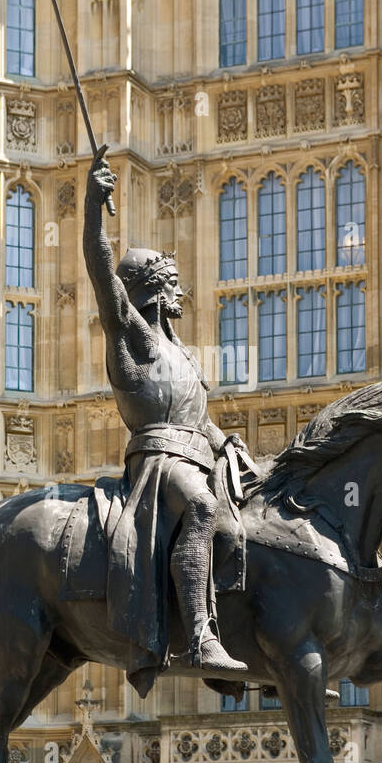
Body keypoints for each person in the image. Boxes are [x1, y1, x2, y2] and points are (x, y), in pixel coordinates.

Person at [83, 155, 250, 690]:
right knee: (201, 507)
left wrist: (233, 447)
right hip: (159, 462)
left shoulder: (181, 354)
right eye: (172, 282)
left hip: (196, 456)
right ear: (153, 288)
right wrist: (92, 209)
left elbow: (198, 421)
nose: (181, 291)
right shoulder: (134, 336)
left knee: (248, 527)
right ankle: (199, 639)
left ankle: (255, 653)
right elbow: (101, 272)